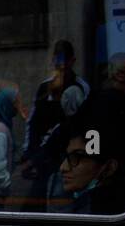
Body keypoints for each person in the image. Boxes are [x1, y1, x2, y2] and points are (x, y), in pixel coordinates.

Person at [20, 40, 90, 203]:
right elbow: (33, 122)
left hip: (66, 155)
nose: (62, 66)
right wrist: (29, 153)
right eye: (58, 61)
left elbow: (83, 124)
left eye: (65, 61)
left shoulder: (80, 88)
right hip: (43, 156)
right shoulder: (45, 87)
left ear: (72, 61)